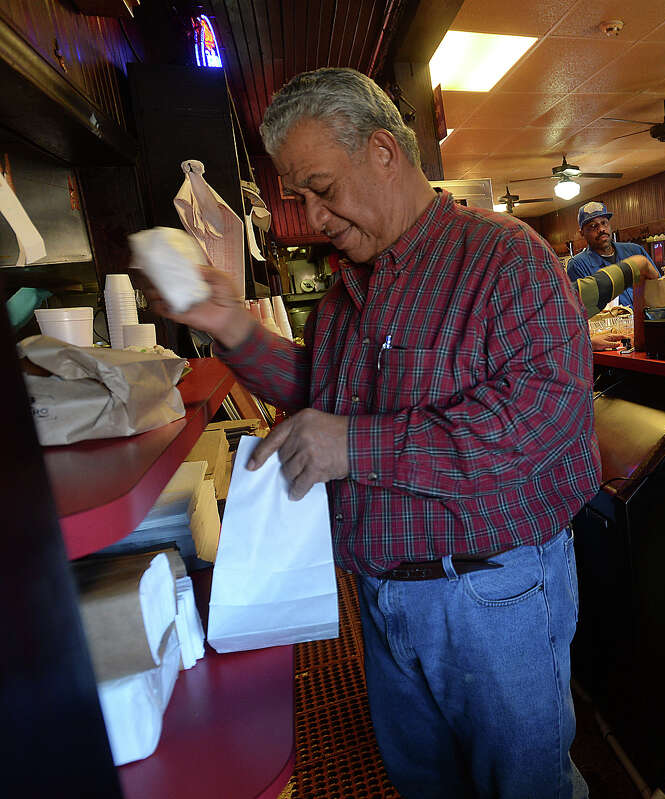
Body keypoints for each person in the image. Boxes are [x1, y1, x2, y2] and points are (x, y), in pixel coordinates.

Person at [159, 68, 598, 798]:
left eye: (321, 188)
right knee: (424, 782)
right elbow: (322, 401)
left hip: (491, 596)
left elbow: (537, 425)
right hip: (381, 599)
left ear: (385, 152)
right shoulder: (342, 297)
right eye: (297, 197)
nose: (312, 216)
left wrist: (353, 446)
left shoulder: (504, 258)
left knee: (527, 785)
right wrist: (231, 327)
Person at [566, 201, 653, 310]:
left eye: (604, 223)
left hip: (647, 321)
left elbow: (656, 285)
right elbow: (580, 309)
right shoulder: (577, 265)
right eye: (593, 226)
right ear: (582, 233)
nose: (601, 229)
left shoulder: (635, 251)